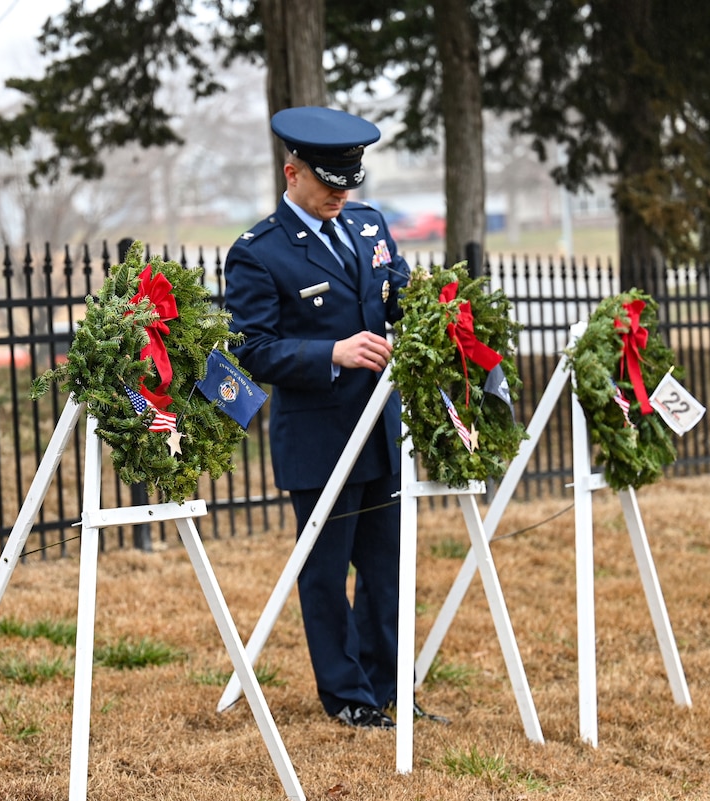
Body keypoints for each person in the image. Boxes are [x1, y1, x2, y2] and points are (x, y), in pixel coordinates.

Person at [224, 106, 442, 730]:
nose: (341, 196)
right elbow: (250, 348)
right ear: (292, 173)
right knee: (325, 573)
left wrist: (431, 309)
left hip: (381, 429)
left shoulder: (369, 227)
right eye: (329, 184)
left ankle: (388, 687)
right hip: (320, 436)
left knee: (386, 568)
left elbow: (396, 293)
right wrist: (333, 353)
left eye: (350, 184)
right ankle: (347, 696)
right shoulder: (259, 254)